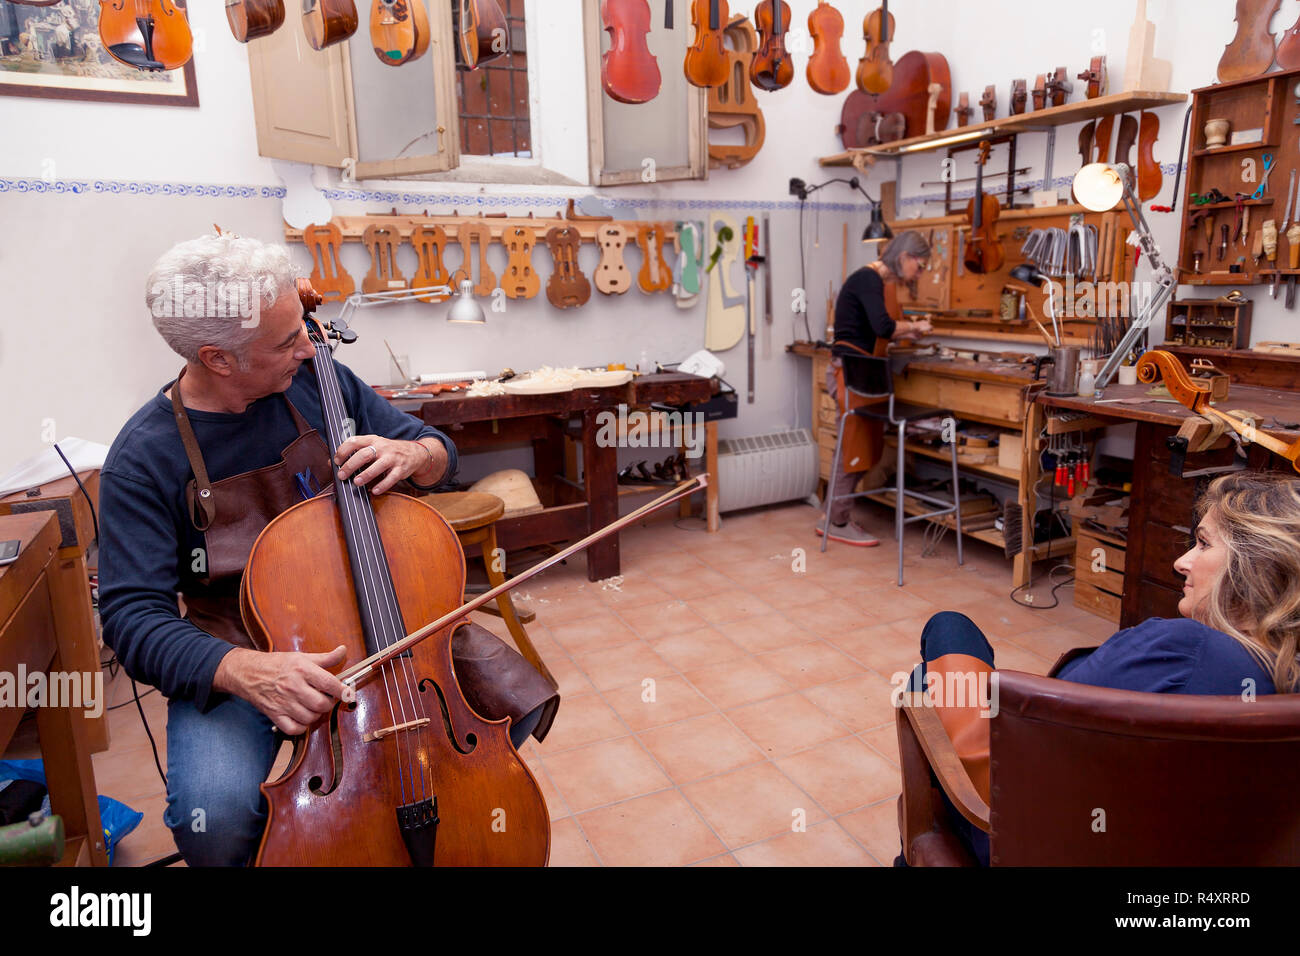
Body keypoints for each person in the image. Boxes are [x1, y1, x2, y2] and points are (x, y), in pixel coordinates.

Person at [99, 234, 557, 866]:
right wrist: (243, 671)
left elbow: (437, 451)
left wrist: (416, 453)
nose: (310, 346)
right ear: (219, 358)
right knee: (218, 819)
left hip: (378, 620)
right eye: (288, 340)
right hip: (241, 650)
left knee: (519, 707)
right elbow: (130, 617)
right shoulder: (142, 460)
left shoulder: (318, 381)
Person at [902, 471, 1300, 865]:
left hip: (1027, 841)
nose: (1182, 562)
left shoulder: (1179, 649)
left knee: (945, 638)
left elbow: (1033, 738)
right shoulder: (1285, 684)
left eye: (1202, 544)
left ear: (1256, 566)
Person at [818, 230, 934, 547]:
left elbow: (880, 330)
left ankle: (832, 516)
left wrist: (908, 331)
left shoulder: (881, 284)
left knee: (862, 446)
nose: (919, 273)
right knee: (853, 446)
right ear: (904, 257)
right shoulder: (868, 280)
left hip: (864, 374)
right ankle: (836, 522)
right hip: (851, 373)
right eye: (920, 265)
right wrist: (914, 326)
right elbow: (883, 327)